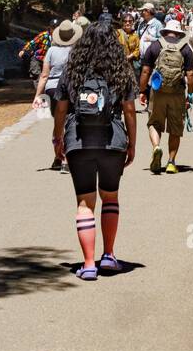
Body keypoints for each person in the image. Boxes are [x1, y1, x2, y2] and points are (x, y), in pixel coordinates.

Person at [53, 21, 136, 279]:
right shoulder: (121, 70)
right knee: (110, 197)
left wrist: (58, 139)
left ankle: (89, 264)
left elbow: (61, 108)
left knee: (85, 203)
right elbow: (130, 110)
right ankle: (109, 255)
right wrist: (132, 143)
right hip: (113, 141)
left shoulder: (73, 70)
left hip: (79, 141)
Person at [138, 18, 193, 174]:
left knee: (154, 123)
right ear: (178, 34)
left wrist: (142, 91)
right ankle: (171, 162)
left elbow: (145, 71)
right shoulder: (185, 48)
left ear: (164, 32)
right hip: (177, 94)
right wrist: (189, 95)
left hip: (157, 93)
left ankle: (156, 147)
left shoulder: (155, 46)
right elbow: (190, 75)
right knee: (175, 129)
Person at [34, 20, 82, 171]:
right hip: (71, 88)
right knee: (70, 123)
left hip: (52, 89)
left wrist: (37, 95)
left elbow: (44, 75)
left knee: (58, 124)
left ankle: (57, 157)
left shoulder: (51, 51)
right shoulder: (76, 51)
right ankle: (67, 160)